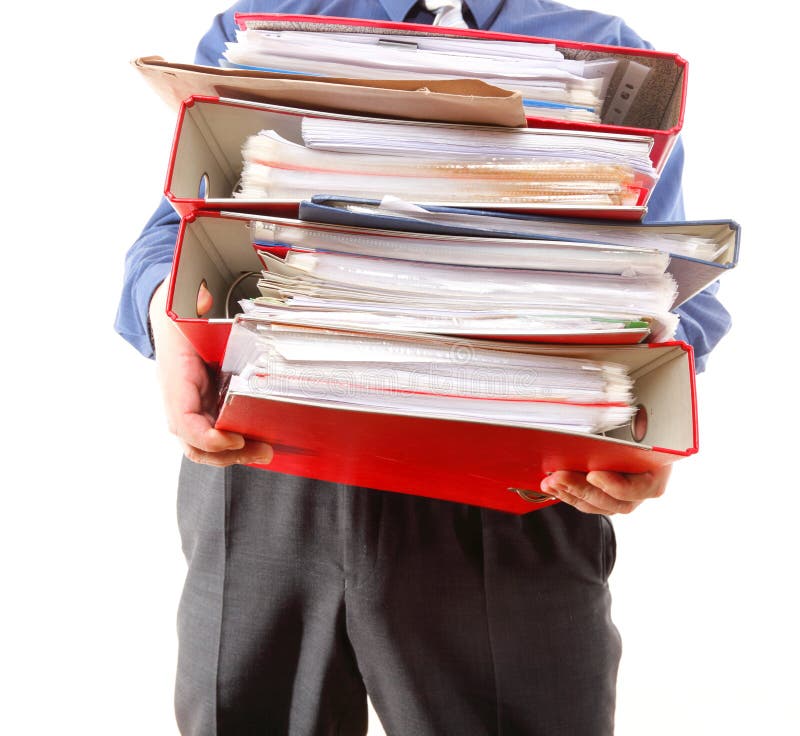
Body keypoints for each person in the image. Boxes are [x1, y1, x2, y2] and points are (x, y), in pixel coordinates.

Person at [116, 1, 732, 733]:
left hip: (513, 478)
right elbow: (174, 235)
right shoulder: (267, 30)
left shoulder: (606, 60)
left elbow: (663, 286)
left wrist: (643, 418)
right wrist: (168, 314)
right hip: (268, 464)